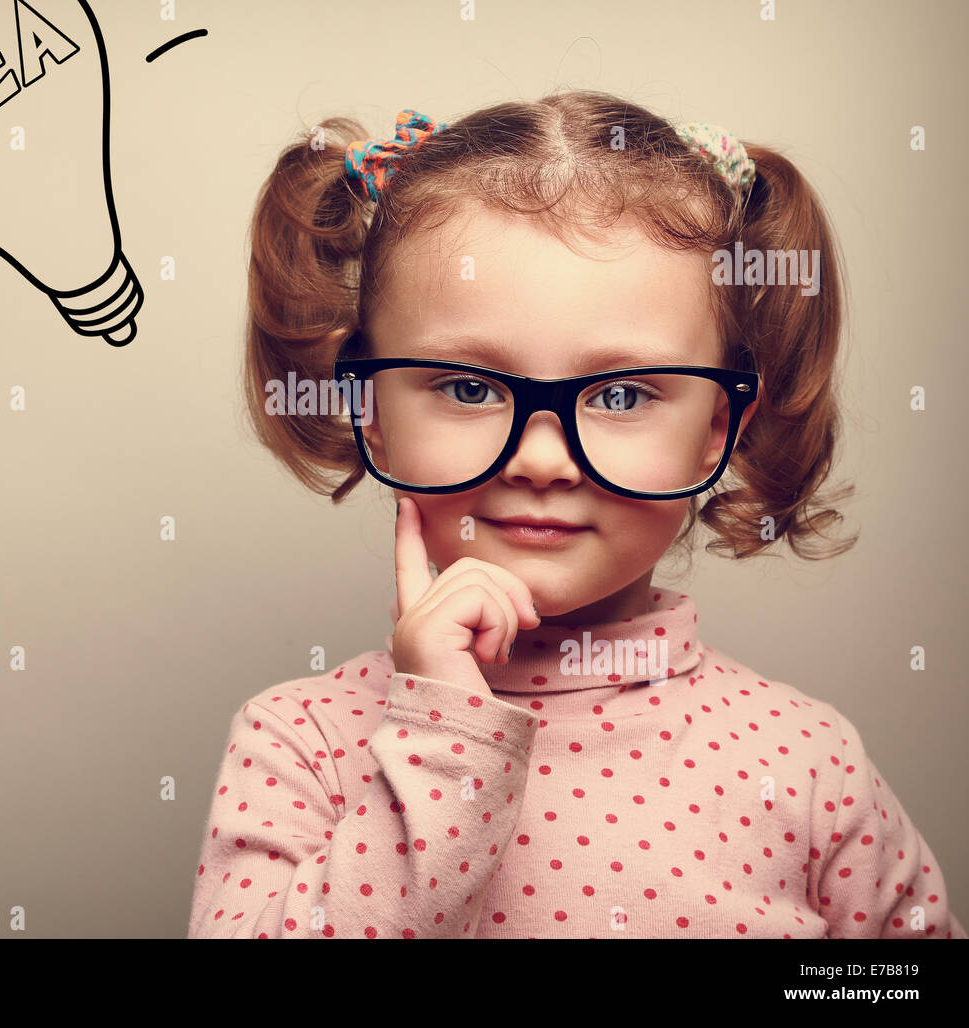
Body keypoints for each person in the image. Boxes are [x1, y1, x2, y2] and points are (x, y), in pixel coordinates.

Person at [188, 93, 963, 938]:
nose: (544, 459)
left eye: (624, 394)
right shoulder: (300, 743)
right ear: (369, 406)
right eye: (470, 388)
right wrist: (444, 739)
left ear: (717, 428)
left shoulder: (808, 763)